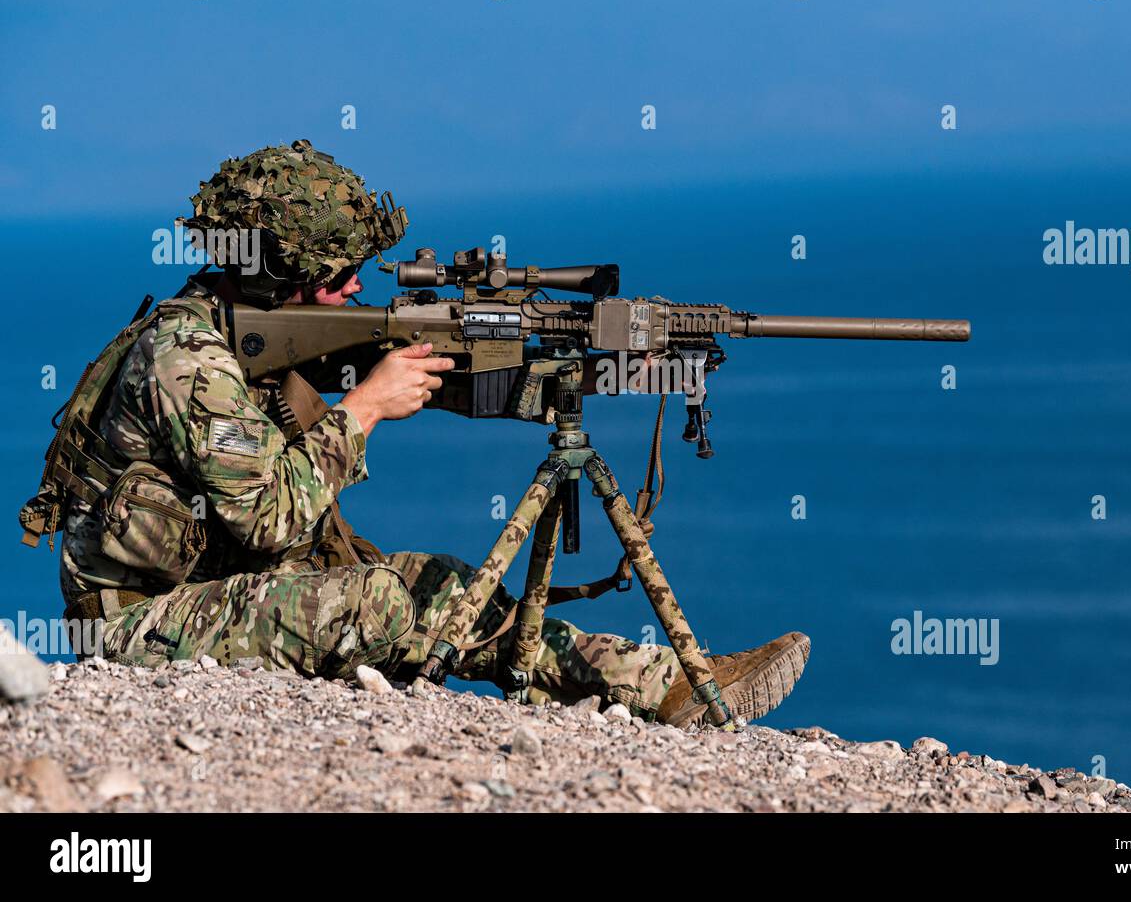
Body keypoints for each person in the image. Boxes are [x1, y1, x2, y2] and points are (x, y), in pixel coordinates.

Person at [34, 139, 809, 726]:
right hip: (136, 626)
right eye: (338, 275)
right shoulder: (188, 359)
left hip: (214, 590)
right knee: (377, 603)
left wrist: (548, 374)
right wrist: (366, 407)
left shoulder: (248, 337)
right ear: (278, 278)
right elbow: (267, 518)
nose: (354, 289)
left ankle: (666, 684)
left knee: (444, 584)